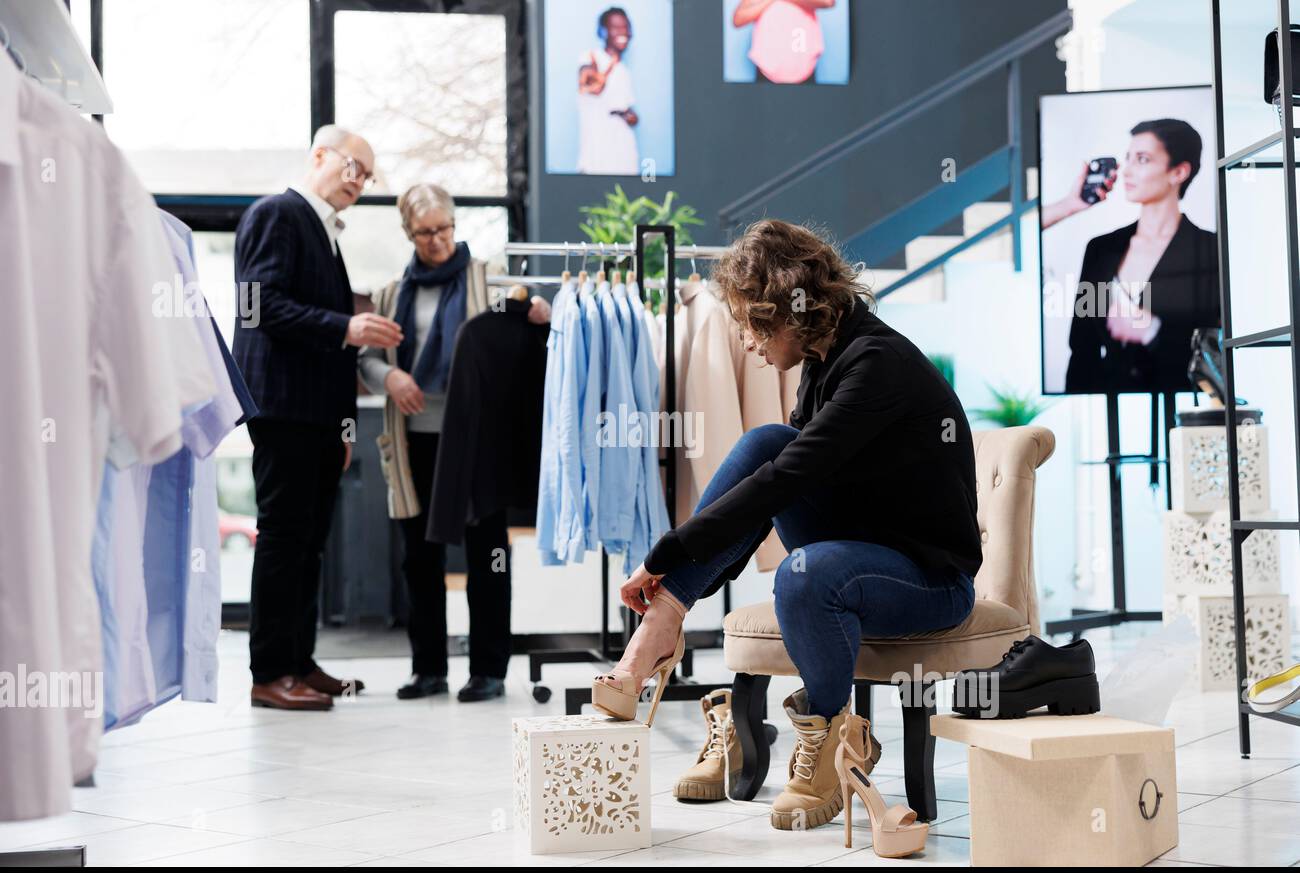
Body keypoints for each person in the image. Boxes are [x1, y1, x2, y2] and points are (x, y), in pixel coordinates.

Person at [592, 220, 982, 831]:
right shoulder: (823, 361)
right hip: (857, 550)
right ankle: (664, 618)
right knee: (765, 441)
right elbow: (773, 476)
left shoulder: (876, 364)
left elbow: (787, 482)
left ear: (792, 310)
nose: (748, 342)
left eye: (754, 322)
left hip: (927, 581)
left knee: (802, 569)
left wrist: (667, 550)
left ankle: (829, 736)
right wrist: (684, 572)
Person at [233, 125, 404, 711]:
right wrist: (346, 327)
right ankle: (270, 673)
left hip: (317, 417)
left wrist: (342, 428)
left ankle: (299, 662)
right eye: (354, 166)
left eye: (368, 174)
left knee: (308, 543)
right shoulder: (278, 213)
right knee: (284, 538)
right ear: (320, 156)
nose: (359, 180)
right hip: (282, 408)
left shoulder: (322, 230)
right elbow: (259, 303)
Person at [359, 184, 550, 702]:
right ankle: (429, 669)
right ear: (409, 233)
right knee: (418, 557)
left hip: (476, 440)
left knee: (486, 551)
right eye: (426, 232)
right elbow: (368, 358)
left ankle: (488, 669)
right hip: (413, 437)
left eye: (444, 228)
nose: (438, 240)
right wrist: (389, 379)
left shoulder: (486, 281)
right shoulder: (392, 293)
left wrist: (540, 313)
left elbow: (524, 330)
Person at [1044, 118, 1219, 393]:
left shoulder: (1210, 250)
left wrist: (1152, 331)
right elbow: (1081, 349)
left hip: (1185, 400)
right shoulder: (1100, 249)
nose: (1126, 171)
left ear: (1178, 172)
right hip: (1109, 399)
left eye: (1143, 159)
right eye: (1128, 159)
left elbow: (1215, 352)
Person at [576, 6, 639, 175]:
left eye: (625, 27)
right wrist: (605, 72)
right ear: (603, 31)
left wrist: (630, 116)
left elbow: (626, 109)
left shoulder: (623, 70)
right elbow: (592, 85)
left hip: (623, 149)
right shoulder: (590, 58)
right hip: (596, 149)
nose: (623, 32)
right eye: (616, 27)